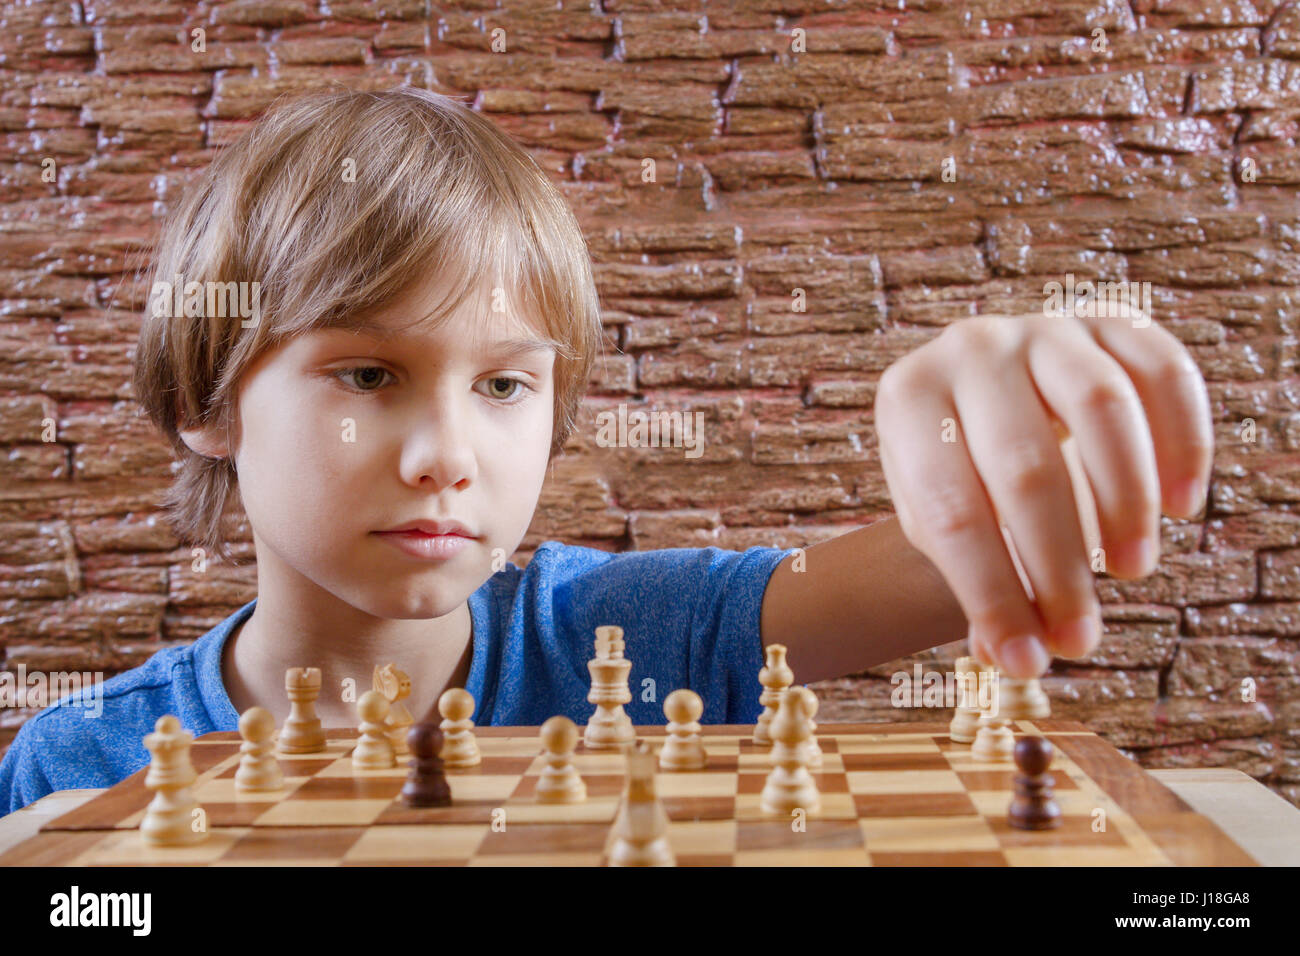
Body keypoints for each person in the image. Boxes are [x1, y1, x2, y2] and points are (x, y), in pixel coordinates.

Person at [0, 86, 1211, 817]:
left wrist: (1023, 407)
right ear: (208, 395)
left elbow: (1003, 551)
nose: (445, 454)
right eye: (368, 372)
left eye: (505, 383)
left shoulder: (634, 634)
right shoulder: (78, 761)